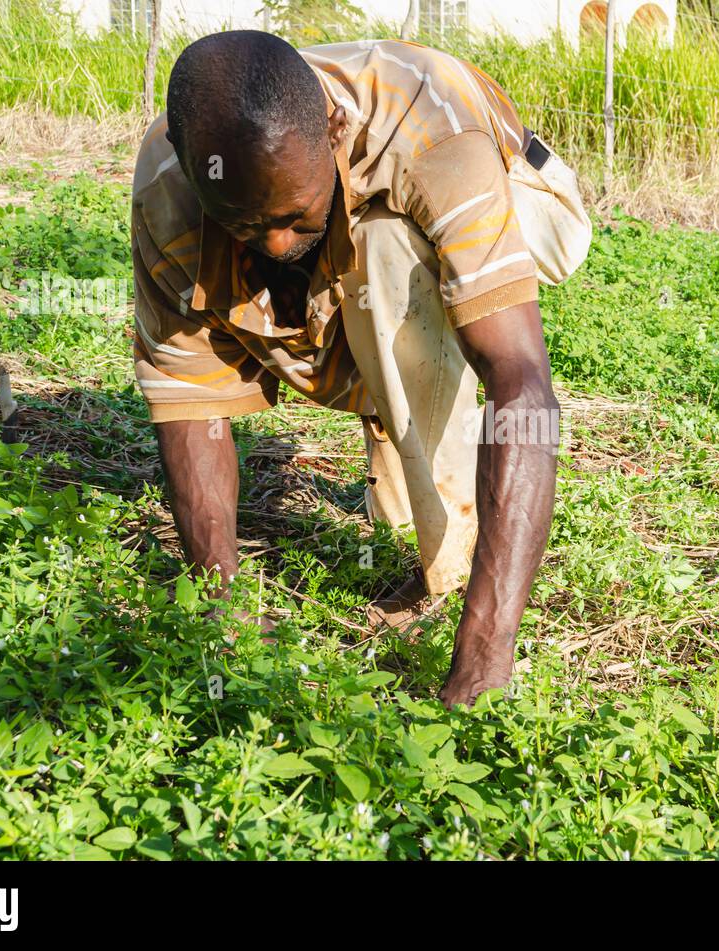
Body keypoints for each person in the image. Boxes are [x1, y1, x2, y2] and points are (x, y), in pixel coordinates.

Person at [130, 31, 591, 706]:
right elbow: (187, 400)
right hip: (358, 221)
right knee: (333, 265)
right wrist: (221, 604)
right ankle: (399, 440)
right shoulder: (171, 181)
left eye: (291, 216)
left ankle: (449, 568)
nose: (277, 244)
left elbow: (519, 379)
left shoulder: (431, 131)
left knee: (383, 247)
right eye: (247, 223)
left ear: (335, 127)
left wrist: (486, 647)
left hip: (525, 190)